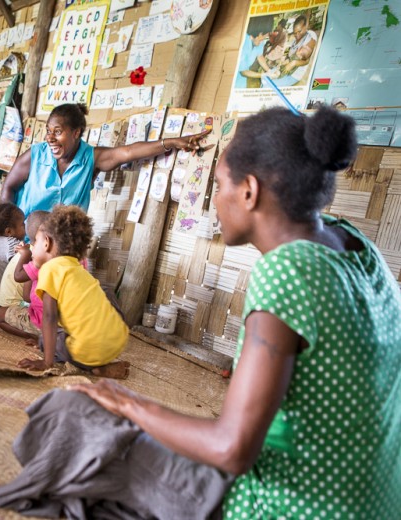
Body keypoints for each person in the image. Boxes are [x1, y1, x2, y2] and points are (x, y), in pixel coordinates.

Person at [70, 107, 401, 517]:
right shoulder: (357, 247)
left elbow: (232, 449)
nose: (214, 197)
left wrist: (129, 404)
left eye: (219, 183)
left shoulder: (287, 270)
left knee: (78, 428)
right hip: (376, 503)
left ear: (249, 191)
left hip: (301, 507)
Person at [0, 104, 207, 216]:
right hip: (26, 246)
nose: (50, 138)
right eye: (48, 131)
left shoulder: (91, 157)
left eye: (58, 131)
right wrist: (12, 230)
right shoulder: (35, 155)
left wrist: (171, 142)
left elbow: (127, 153)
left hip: (64, 250)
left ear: (75, 133)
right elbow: (8, 186)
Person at [17, 206, 130, 379]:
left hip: (89, 349)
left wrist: (47, 361)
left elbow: (50, 317)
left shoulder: (50, 269)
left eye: (35, 242)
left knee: (46, 341)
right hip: (117, 341)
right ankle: (101, 362)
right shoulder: (78, 269)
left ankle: (96, 370)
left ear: (46, 243)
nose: (33, 249)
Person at [0, 210, 50, 342]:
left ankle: (34, 336)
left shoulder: (33, 256)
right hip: (61, 322)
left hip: (37, 318)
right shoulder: (59, 257)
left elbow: (27, 296)